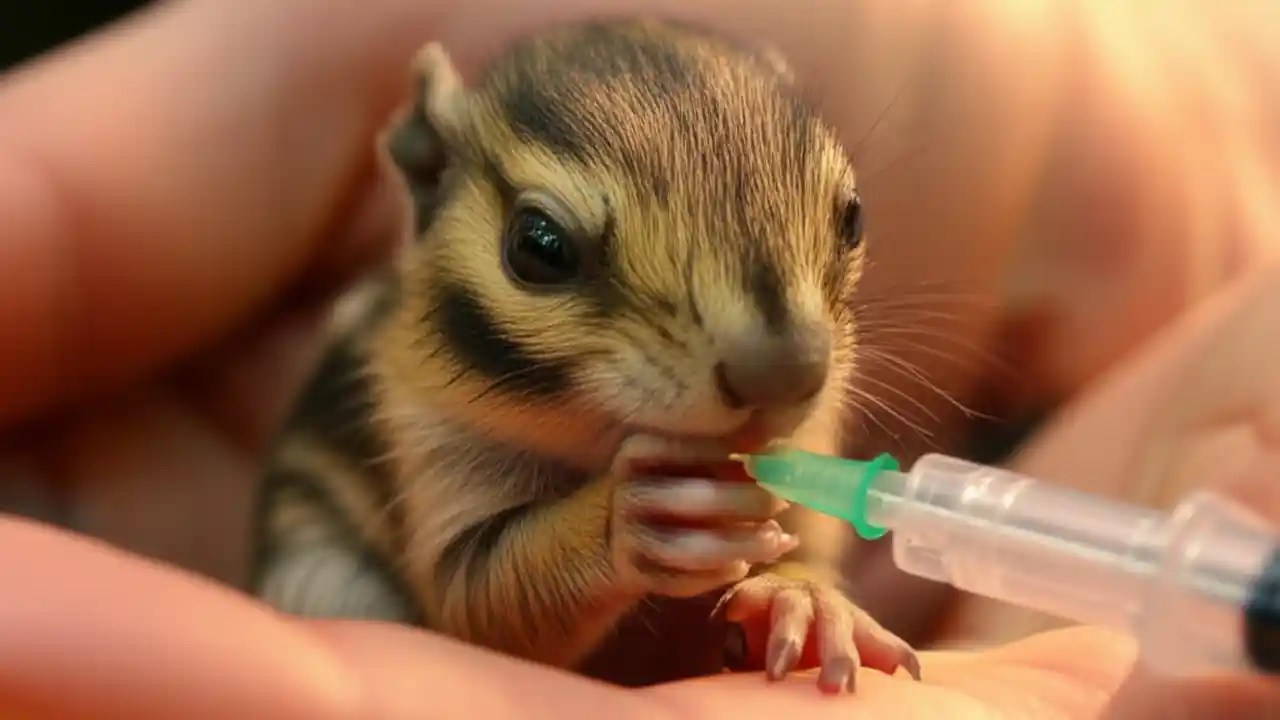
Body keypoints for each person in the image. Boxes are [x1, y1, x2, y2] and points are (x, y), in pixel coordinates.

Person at [0, 0, 1277, 716]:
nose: (776, 370)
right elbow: (472, 599)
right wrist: (594, 543)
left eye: (836, 229)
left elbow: (798, 528)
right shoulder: (433, 386)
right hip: (386, 574)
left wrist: (797, 589)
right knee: (332, 594)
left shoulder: (784, 355)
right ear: (432, 181)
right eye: (551, 250)